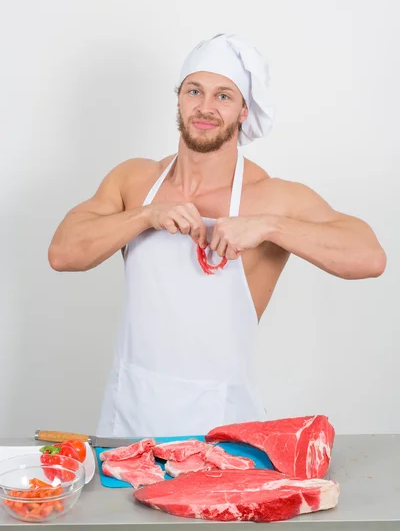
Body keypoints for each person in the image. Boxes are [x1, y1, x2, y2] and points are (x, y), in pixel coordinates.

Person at [48, 33, 386, 438]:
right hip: (129, 417)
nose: (205, 108)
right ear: (179, 99)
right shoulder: (135, 181)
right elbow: (63, 253)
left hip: (224, 428)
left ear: (244, 111)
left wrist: (268, 226)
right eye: (195, 91)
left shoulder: (272, 196)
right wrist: (145, 216)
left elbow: (370, 257)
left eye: (224, 96)